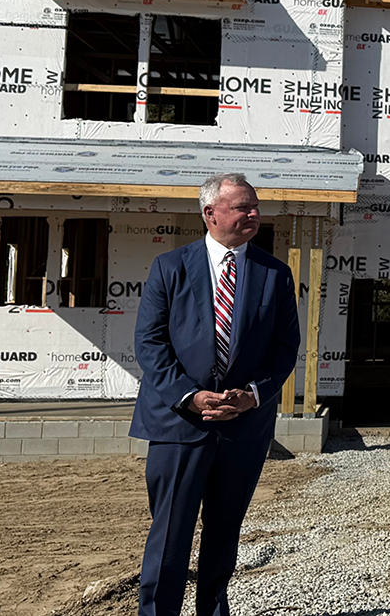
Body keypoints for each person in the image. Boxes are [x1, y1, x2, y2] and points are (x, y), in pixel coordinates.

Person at [130, 174, 300, 616]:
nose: (254, 214)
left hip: (243, 428)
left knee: (225, 533)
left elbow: (285, 347)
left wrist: (252, 395)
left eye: (255, 206)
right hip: (178, 424)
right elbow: (149, 344)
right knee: (170, 534)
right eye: (243, 207)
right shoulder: (170, 268)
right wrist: (190, 396)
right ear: (211, 213)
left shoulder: (274, 274)